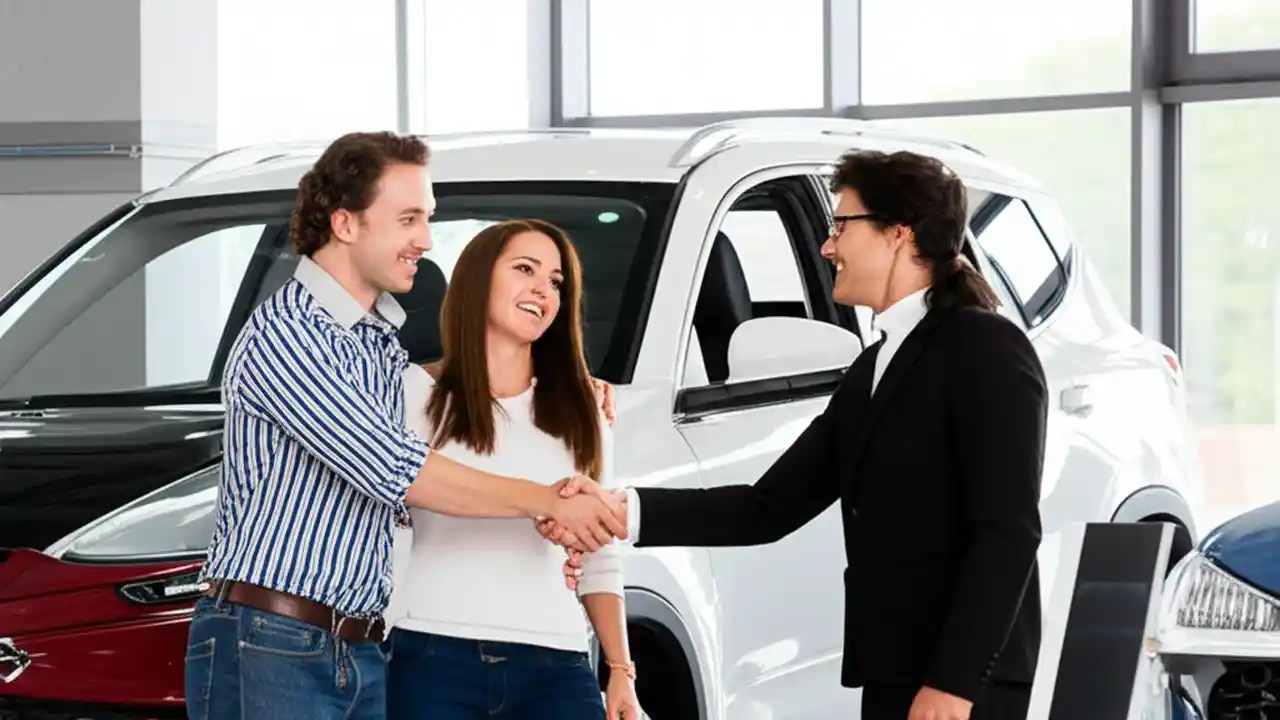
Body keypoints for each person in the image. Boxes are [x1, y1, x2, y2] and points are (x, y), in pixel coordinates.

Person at [550, 149, 1047, 720]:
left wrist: (954, 684)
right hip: (896, 670)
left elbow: (1006, 532)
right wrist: (620, 511)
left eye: (841, 226)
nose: (828, 247)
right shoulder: (874, 368)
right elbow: (765, 508)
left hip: (957, 684)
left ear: (900, 234)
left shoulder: (985, 348)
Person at [184, 132, 626, 720]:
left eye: (427, 219)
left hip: (359, 645)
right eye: (409, 219)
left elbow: (457, 392)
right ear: (345, 223)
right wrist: (549, 501)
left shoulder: (376, 344)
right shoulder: (290, 335)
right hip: (273, 636)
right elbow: (396, 469)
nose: (426, 239)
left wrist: (569, 382)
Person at [383, 219, 641, 720]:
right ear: (478, 280)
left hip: (556, 663)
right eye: (525, 269)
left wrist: (620, 671)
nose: (543, 289)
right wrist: (543, 502)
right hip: (430, 654)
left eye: (556, 282)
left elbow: (601, 554)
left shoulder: (585, 408)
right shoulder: (412, 393)